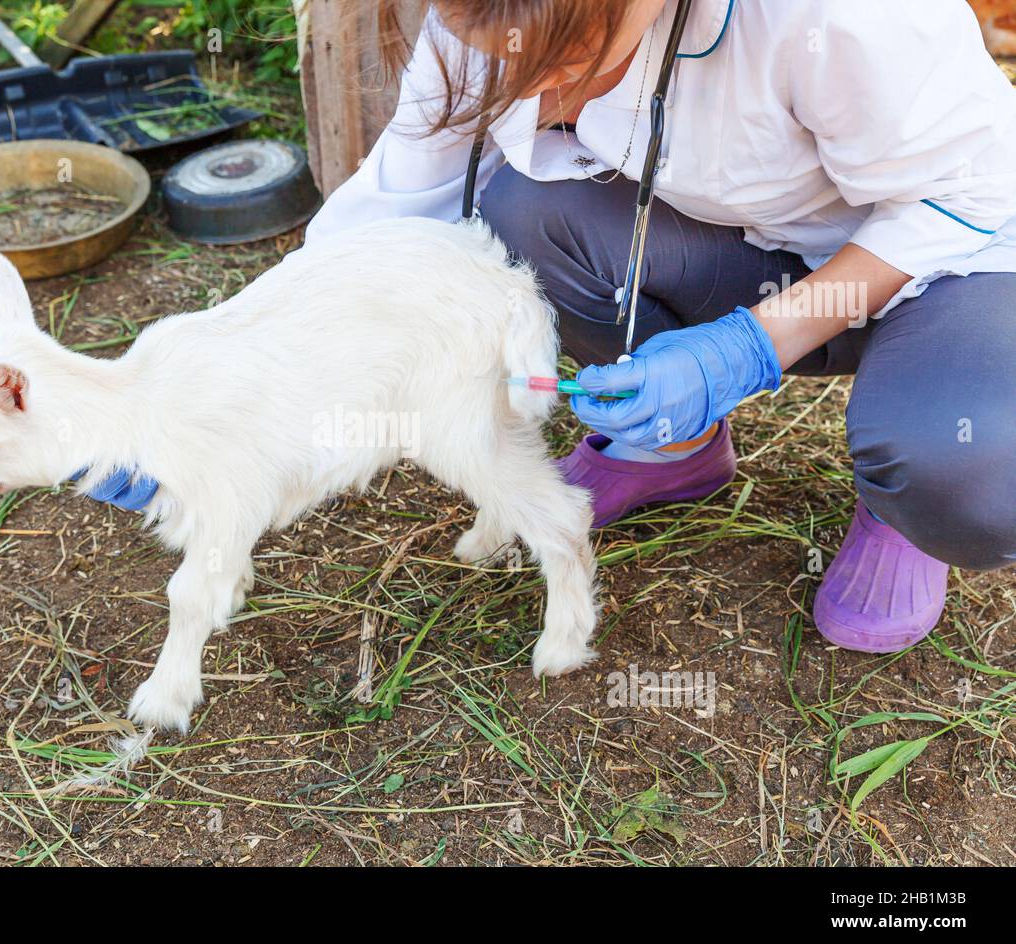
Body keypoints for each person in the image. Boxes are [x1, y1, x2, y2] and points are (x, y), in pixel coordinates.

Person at [297, 0, 1016, 652]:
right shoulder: (487, 14)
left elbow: (965, 199)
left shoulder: (843, 16)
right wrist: (254, 383)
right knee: (524, 211)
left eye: (568, 63)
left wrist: (748, 347)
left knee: (964, 459)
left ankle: (906, 499)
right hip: (764, 245)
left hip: (959, 259)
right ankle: (677, 449)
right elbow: (399, 203)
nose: (527, 99)